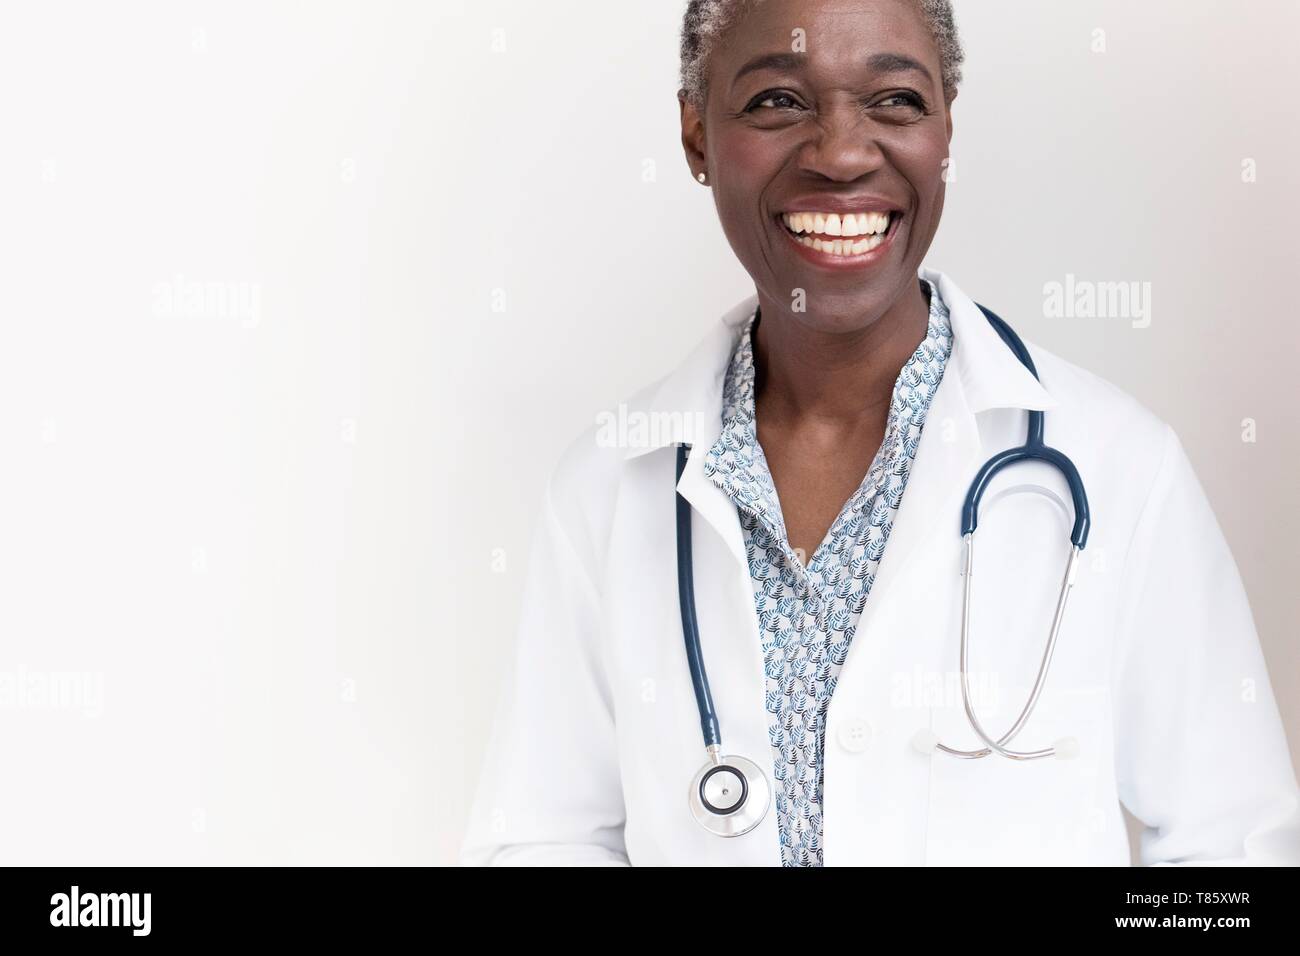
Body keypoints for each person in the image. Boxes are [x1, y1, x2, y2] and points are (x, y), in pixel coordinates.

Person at [460, 0, 1300, 866]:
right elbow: (543, 840)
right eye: (777, 102)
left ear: (945, 131)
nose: (843, 153)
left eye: (895, 100)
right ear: (697, 136)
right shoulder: (606, 488)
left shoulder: (1122, 468)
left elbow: (1233, 854)